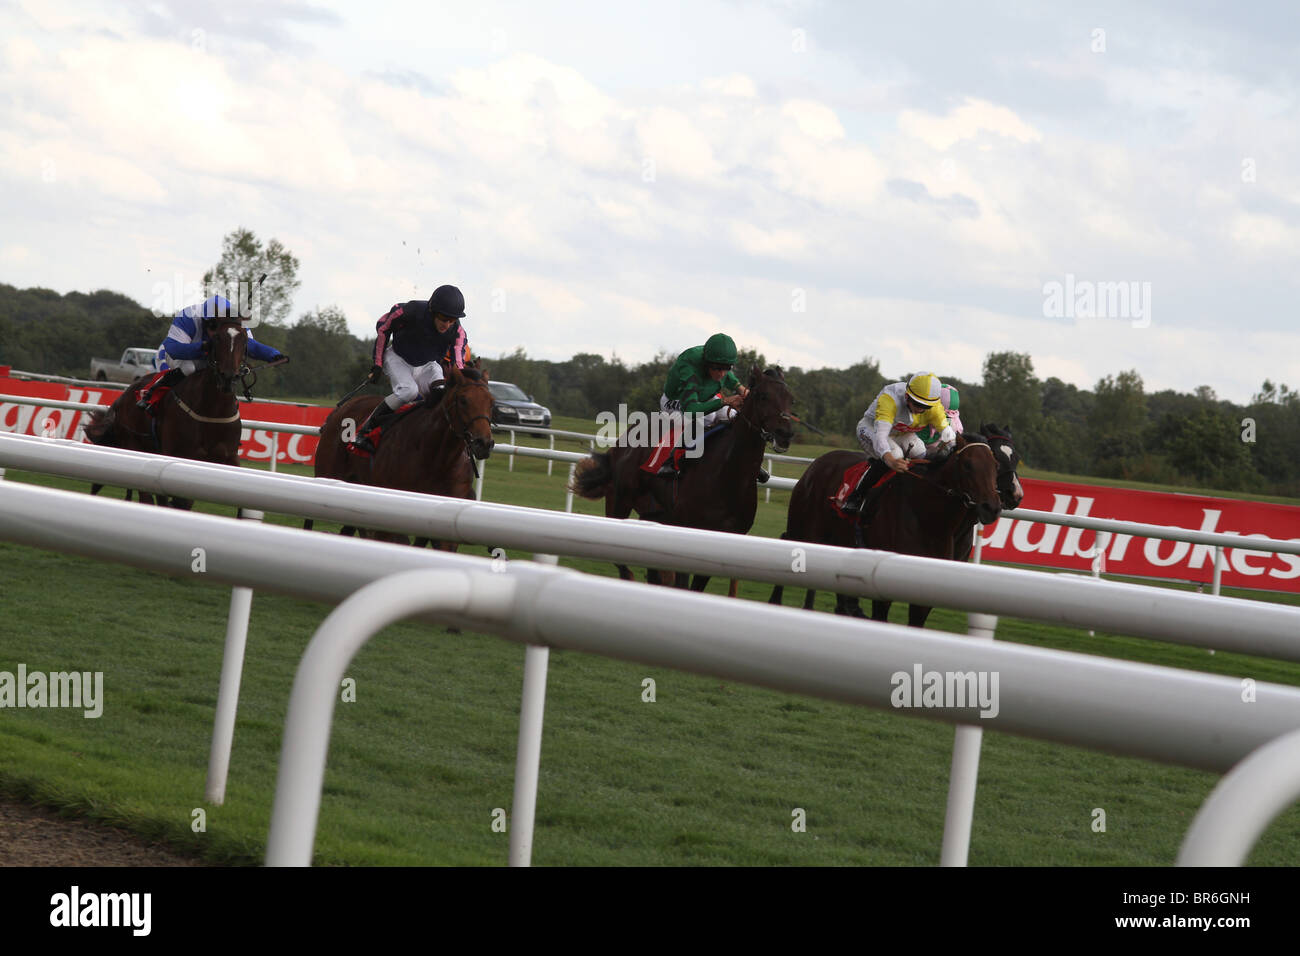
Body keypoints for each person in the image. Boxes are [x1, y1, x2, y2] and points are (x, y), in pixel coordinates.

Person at [350, 284, 470, 455]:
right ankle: (365, 430)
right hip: (398, 358)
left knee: (442, 391)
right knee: (409, 391)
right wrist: (377, 364)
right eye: (444, 318)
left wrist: (461, 385)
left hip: (428, 364)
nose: (447, 324)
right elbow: (384, 328)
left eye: (452, 320)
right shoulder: (410, 311)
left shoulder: (458, 332)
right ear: (433, 311)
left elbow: (458, 365)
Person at [641, 333, 766, 481]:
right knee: (706, 417)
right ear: (707, 363)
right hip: (676, 401)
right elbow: (691, 411)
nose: (722, 373)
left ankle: (748, 460)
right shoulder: (690, 368)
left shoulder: (718, 362)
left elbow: (737, 385)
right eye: (718, 368)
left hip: (703, 397)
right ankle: (671, 461)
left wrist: (750, 397)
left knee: (733, 416)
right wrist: (724, 401)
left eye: (726, 368)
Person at [137, 295, 284, 408]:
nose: (213, 330)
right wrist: (203, 347)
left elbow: (249, 346)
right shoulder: (188, 316)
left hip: (211, 358)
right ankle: (151, 393)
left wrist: (273, 354)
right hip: (178, 354)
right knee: (189, 367)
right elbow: (173, 349)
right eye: (210, 325)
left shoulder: (234, 322)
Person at [840, 372, 955, 515]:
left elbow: (948, 434)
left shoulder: (935, 407)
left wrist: (956, 448)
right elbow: (881, 437)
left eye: (925, 406)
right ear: (907, 396)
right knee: (895, 455)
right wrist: (890, 460)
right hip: (872, 429)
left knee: (920, 452)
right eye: (917, 404)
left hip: (902, 432)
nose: (920, 409)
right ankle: (855, 497)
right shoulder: (890, 399)